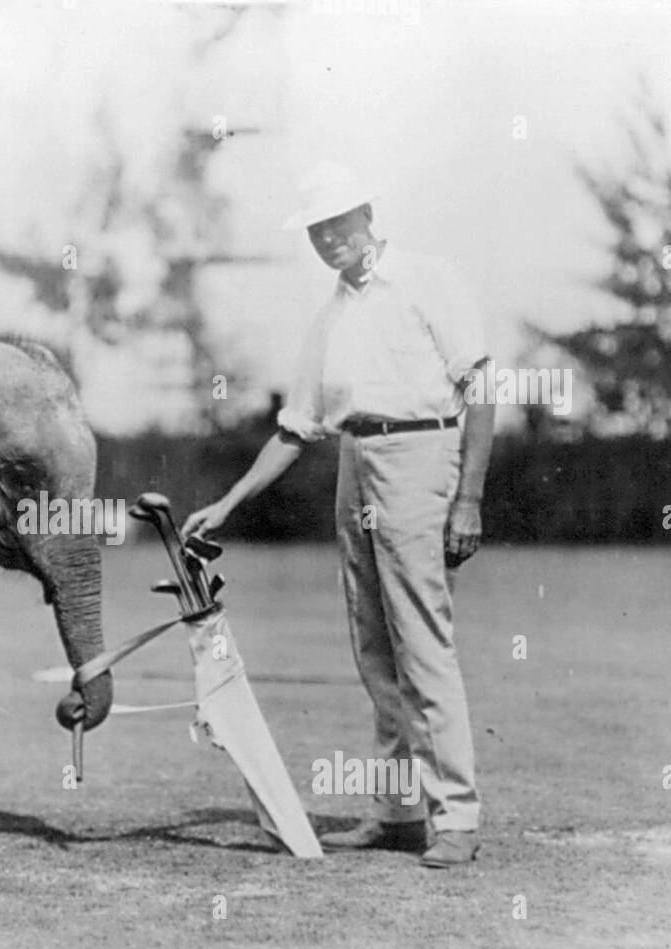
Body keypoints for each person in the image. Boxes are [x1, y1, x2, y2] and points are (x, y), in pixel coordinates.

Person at [182, 162, 494, 868]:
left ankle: (458, 817)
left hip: (421, 457)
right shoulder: (331, 315)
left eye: (339, 225)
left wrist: (469, 497)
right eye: (318, 232)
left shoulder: (427, 279)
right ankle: (398, 812)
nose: (330, 241)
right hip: (356, 464)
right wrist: (228, 503)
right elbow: (297, 428)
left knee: (422, 641)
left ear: (367, 219)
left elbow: (483, 388)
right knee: (375, 646)